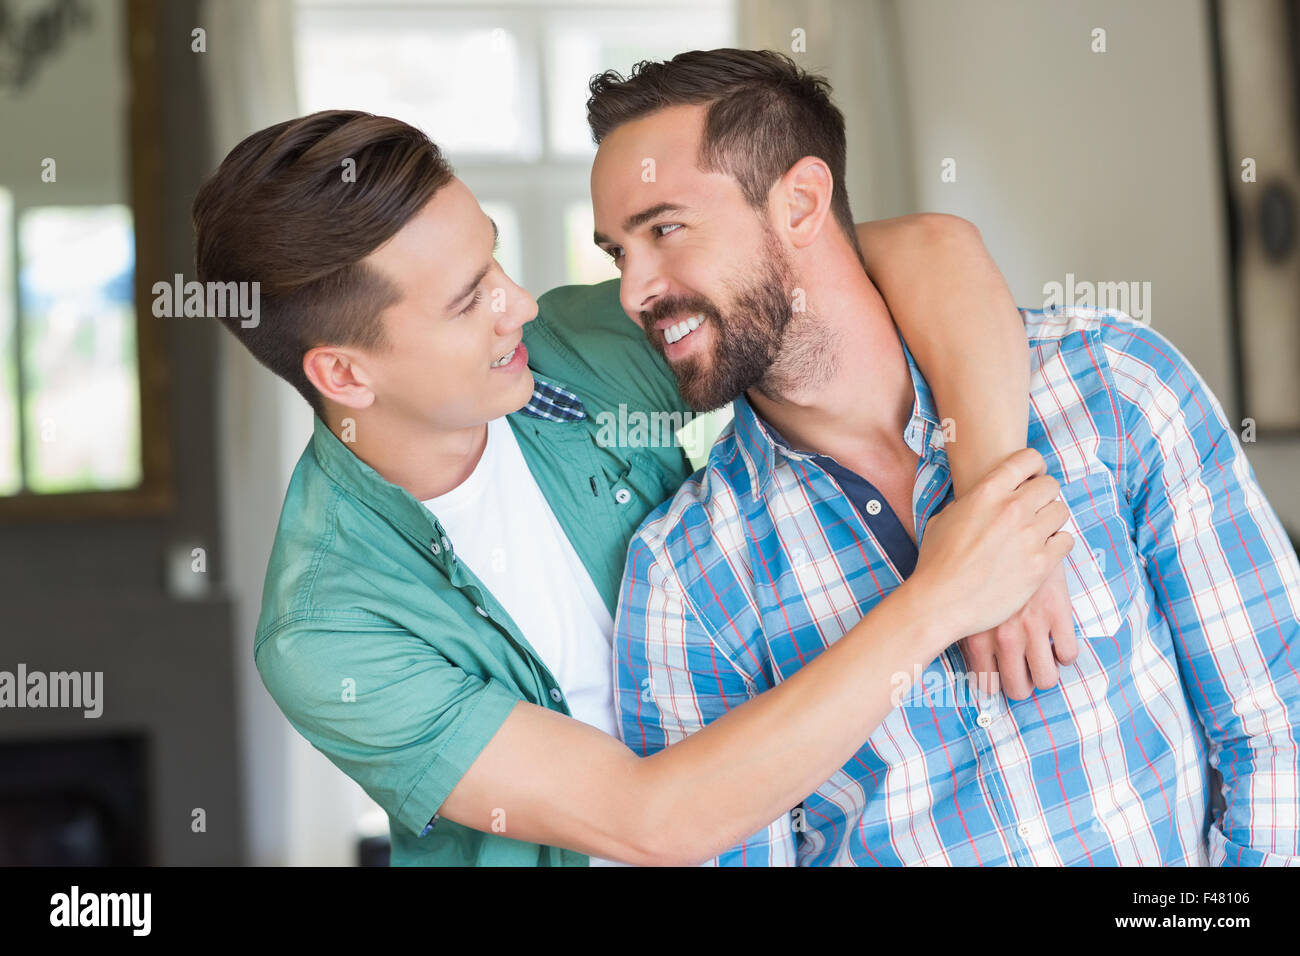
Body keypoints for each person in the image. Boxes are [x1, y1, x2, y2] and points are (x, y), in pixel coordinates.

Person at [192, 107, 1070, 867]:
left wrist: (995, 502)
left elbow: (911, 251)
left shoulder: (567, 356)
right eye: (470, 302)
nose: (522, 304)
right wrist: (942, 598)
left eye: (494, 262)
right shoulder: (328, 628)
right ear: (343, 375)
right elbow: (651, 821)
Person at [593, 48, 1300, 866]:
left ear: (801, 203)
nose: (632, 290)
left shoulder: (1110, 386)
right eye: (618, 251)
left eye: (665, 230)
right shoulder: (685, 577)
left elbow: (1277, 721)